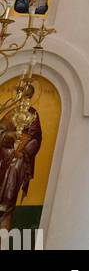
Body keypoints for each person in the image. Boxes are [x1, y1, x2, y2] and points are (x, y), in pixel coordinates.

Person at [0, 80, 42, 230]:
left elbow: (36, 138)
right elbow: (1, 131)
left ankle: (6, 202)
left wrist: (23, 152)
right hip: (4, 152)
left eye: (23, 94)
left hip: (19, 156)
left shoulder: (32, 115)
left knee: (15, 168)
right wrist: (8, 135)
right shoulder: (11, 113)